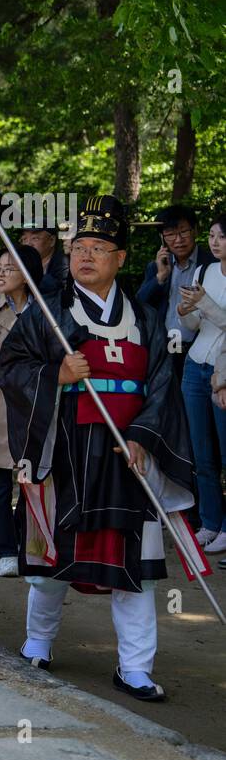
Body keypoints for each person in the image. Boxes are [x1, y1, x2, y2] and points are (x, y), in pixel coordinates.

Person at [0, 195, 203, 702]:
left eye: (99, 247)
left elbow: (160, 385)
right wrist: (57, 374)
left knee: (136, 569)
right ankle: (37, 643)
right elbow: (10, 368)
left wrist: (142, 438)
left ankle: (134, 667)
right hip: (64, 451)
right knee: (51, 562)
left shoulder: (145, 317)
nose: (86, 256)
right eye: (79, 247)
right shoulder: (49, 311)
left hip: (127, 458)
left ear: (121, 258)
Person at [0, 244, 44, 577]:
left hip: (32, 407)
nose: (0, 272)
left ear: (27, 274)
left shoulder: (45, 311)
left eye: (9, 268)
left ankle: (30, 544)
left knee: (31, 480)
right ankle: (5, 548)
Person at [175, 214, 226, 554]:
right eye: (211, 235)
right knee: (202, 454)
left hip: (224, 372)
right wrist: (186, 309)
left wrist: (204, 303)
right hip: (195, 366)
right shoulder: (203, 272)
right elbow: (196, 323)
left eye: (221, 236)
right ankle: (210, 523)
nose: (214, 241)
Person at [137, 204, 215, 387]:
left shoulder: (212, 264)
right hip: (167, 349)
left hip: (201, 351)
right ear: (162, 238)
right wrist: (159, 278)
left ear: (195, 230)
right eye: (170, 234)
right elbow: (139, 304)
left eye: (183, 232)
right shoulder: (156, 267)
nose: (178, 240)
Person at [20, 222, 69, 297]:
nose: (28, 244)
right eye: (24, 239)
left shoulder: (63, 263)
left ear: (52, 240)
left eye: (35, 238)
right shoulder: (19, 264)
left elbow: (59, 287)